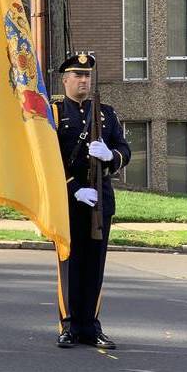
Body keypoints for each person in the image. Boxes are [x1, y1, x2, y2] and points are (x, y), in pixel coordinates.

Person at [51, 52, 131, 349]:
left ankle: (90, 326)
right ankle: (69, 325)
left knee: (94, 265)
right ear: (66, 80)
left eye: (87, 76)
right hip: (69, 199)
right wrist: (73, 189)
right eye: (78, 76)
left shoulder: (107, 113)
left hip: (100, 199)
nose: (84, 80)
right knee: (71, 264)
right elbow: (50, 159)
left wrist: (111, 157)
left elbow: (124, 148)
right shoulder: (55, 113)